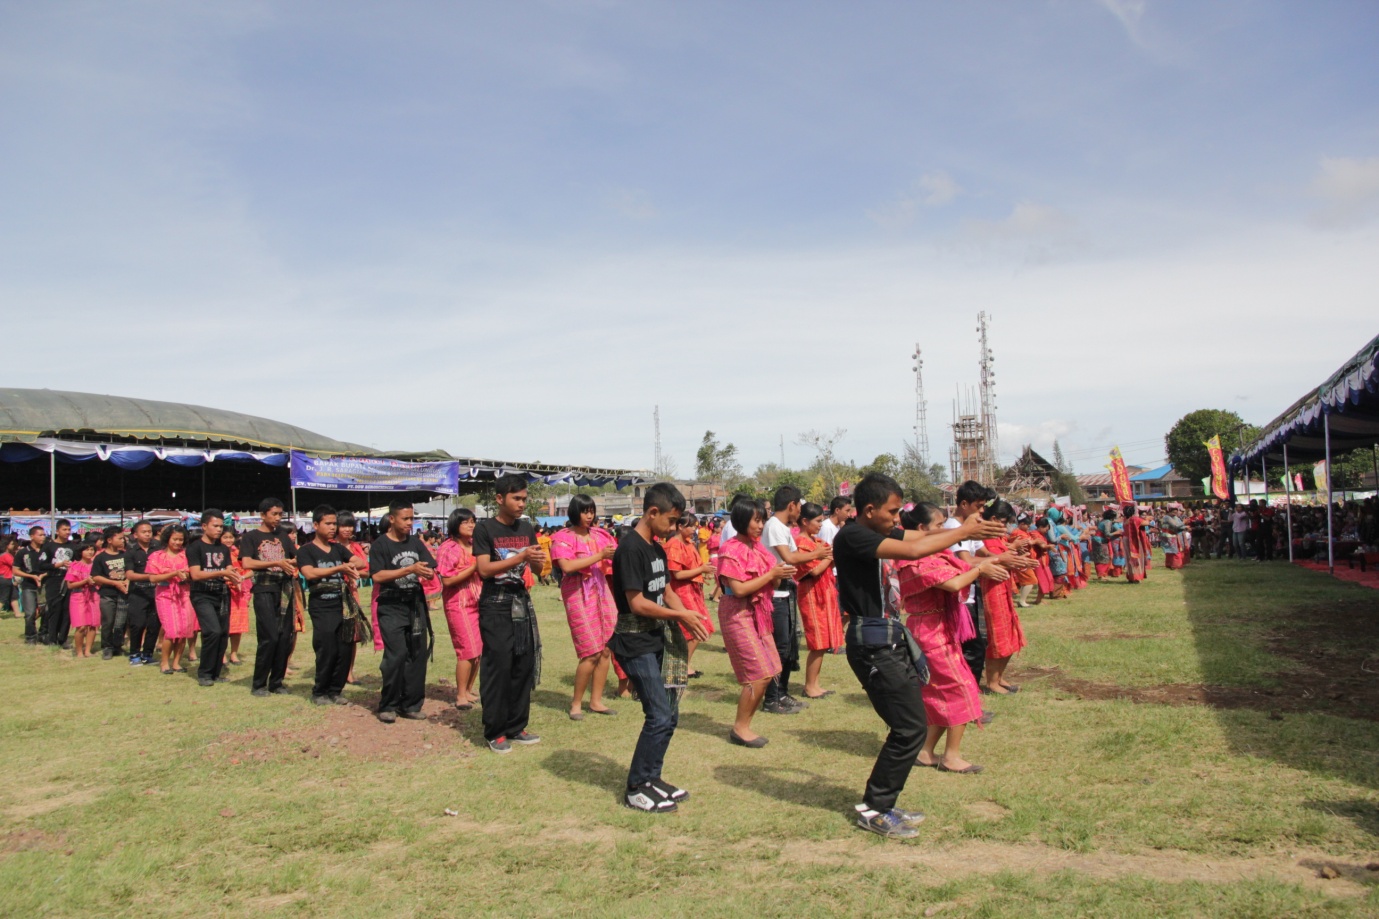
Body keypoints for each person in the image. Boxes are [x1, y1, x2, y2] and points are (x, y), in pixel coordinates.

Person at [832, 472, 1005, 839]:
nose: (899, 519)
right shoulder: (853, 536)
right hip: (872, 642)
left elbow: (922, 538)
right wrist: (963, 533)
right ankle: (875, 807)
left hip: (890, 639)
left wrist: (968, 531)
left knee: (911, 724)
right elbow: (913, 550)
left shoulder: (879, 530)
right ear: (868, 510)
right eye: (893, 512)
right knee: (909, 727)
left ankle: (883, 804)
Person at [610, 482, 708, 814]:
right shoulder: (630, 549)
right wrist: (680, 614)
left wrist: (686, 614)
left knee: (671, 712)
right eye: (670, 520)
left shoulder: (656, 548)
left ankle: (653, 778)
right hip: (633, 642)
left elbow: (665, 589)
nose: (674, 528)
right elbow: (637, 603)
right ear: (653, 512)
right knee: (658, 714)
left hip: (657, 639)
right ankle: (636, 787)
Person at [898, 503, 1008, 773]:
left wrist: (1001, 559)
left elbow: (965, 565)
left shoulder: (936, 553)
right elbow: (955, 583)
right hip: (928, 631)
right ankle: (951, 756)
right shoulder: (912, 559)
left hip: (941, 627)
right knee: (959, 687)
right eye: (938, 526)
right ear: (923, 529)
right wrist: (982, 570)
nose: (943, 531)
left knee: (942, 690)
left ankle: (925, 751)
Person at [474, 474, 548, 753]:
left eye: (524, 499)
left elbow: (538, 570)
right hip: (495, 603)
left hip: (521, 601)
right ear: (499, 499)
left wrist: (540, 563)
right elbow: (483, 570)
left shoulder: (526, 527)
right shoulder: (485, 529)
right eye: (516, 498)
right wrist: (521, 557)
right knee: (498, 668)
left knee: (522, 665)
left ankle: (517, 726)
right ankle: (495, 731)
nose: (521, 504)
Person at [716, 496, 793, 747]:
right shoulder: (730, 549)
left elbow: (774, 583)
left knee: (769, 670)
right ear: (741, 520)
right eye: (756, 520)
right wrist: (772, 573)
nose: (761, 526)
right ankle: (740, 728)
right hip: (737, 614)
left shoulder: (758, 547)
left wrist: (778, 575)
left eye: (762, 520)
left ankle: (745, 725)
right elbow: (738, 590)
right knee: (758, 673)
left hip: (758, 612)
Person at [762, 485, 831, 713]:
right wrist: (818, 554)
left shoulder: (781, 527)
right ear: (791, 505)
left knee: (789, 647)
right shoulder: (773, 526)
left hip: (785, 592)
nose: (800, 511)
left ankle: (782, 694)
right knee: (779, 648)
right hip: (774, 595)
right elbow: (790, 557)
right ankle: (771, 698)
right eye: (799, 506)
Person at [550, 494, 620, 720]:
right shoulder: (562, 537)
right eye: (584, 511)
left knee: (607, 649)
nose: (589, 515)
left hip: (602, 592)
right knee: (590, 651)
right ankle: (576, 704)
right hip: (579, 594)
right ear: (574, 512)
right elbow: (567, 566)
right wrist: (599, 555)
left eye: (591, 511)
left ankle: (596, 701)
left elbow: (617, 557)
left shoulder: (601, 534)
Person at [369, 501, 436, 722]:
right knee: (396, 655)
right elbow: (377, 576)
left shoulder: (416, 542)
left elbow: (430, 566)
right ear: (392, 519)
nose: (409, 523)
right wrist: (409, 569)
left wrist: (427, 573)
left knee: (417, 655)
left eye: (411, 519)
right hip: (391, 604)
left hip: (414, 604)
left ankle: (411, 704)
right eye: (405, 519)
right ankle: (388, 704)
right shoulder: (380, 545)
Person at [299, 505, 367, 706]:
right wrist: (340, 567)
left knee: (344, 649)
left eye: (334, 524)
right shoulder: (307, 550)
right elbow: (309, 573)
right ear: (315, 525)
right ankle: (320, 691)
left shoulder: (338, 548)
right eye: (328, 523)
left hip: (342, 603)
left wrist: (351, 562)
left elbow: (361, 563)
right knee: (326, 649)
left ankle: (336, 690)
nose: (332, 527)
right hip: (322, 604)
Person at [239, 499, 298, 697]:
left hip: (284, 590)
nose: (278, 518)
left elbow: (295, 557)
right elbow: (246, 562)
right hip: (264, 589)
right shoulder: (252, 537)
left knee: (284, 637)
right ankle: (259, 684)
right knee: (269, 637)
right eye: (274, 514)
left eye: (280, 514)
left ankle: (277, 682)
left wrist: (291, 562)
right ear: (263, 514)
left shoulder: (283, 536)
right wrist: (276, 562)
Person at [186, 510, 240, 688]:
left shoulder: (223, 548)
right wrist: (222, 572)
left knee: (223, 634)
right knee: (212, 631)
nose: (218, 530)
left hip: (222, 593)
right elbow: (195, 574)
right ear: (204, 526)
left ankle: (215, 672)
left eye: (220, 526)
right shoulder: (195, 548)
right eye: (215, 526)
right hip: (202, 593)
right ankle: (205, 673)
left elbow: (229, 568)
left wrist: (233, 576)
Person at [794, 502, 842, 698]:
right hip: (811, 595)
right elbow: (813, 570)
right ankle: (809, 686)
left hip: (825, 593)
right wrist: (828, 557)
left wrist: (830, 556)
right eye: (817, 521)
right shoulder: (800, 543)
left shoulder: (817, 541)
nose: (821, 525)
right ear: (805, 521)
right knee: (817, 642)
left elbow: (827, 560)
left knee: (824, 643)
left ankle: (815, 684)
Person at [436, 507, 482, 711]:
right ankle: (460, 694)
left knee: (478, 650)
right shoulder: (448, 548)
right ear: (456, 524)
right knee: (467, 650)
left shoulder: (476, 545)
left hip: (479, 601)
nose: (471, 525)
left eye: (473, 521)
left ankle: (469, 689)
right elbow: (447, 580)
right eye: (466, 522)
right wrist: (474, 567)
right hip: (459, 603)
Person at [979, 501, 1026, 696]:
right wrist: (1013, 553)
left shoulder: (997, 538)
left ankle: (999, 677)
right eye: (1004, 522)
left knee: (1010, 635)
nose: (1007, 527)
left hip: (1004, 590)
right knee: (998, 638)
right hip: (993, 592)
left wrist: (1017, 557)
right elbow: (996, 563)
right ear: (994, 519)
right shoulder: (986, 540)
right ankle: (992, 681)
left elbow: (1005, 558)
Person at [664, 512, 715, 679]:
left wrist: (703, 571)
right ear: (680, 526)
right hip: (681, 592)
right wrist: (701, 570)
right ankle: (682, 666)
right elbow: (677, 575)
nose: (695, 529)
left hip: (692, 591)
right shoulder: (674, 545)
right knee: (696, 628)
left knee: (699, 629)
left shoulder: (687, 543)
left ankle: (684, 665)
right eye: (691, 526)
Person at [147, 526, 196, 675]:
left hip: (184, 594)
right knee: (171, 630)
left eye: (181, 539)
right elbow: (153, 578)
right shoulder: (157, 556)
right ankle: (164, 662)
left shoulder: (187, 555)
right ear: (167, 539)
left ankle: (176, 662)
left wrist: (187, 576)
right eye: (175, 539)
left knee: (184, 630)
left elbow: (194, 573)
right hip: (165, 594)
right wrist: (173, 573)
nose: (178, 542)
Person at [123, 520, 160, 666]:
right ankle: (134, 653)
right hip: (138, 591)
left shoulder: (158, 550)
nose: (147, 534)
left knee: (154, 624)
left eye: (149, 531)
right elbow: (130, 575)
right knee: (137, 624)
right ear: (135, 535)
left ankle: (148, 654)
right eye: (144, 532)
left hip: (156, 590)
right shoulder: (131, 552)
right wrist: (151, 576)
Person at [90, 527, 129, 660]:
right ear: (109, 540)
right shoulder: (100, 557)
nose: (122, 540)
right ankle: (107, 647)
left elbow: (131, 571)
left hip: (124, 594)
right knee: (108, 621)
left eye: (123, 538)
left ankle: (118, 646)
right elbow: (95, 577)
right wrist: (115, 583)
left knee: (121, 622)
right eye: (119, 538)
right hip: (107, 594)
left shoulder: (125, 555)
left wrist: (126, 581)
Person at [14, 526, 52, 645]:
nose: (43, 537)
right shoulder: (23, 552)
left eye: (44, 535)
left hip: (45, 584)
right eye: (40, 535)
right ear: (32, 536)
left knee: (46, 610)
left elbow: (53, 567)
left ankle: (43, 633)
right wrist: (32, 576)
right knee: (30, 612)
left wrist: (43, 575)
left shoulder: (47, 551)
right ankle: (30, 636)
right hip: (29, 586)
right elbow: (15, 570)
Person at [65, 541, 100, 658]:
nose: (90, 552)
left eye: (92, 549)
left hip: (94, 595)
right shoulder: (74, 566)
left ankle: (88, 650)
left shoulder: (96, 564)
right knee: (81, 626)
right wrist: (85, 581)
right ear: (80, 552)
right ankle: (79, 651)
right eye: (87, 550)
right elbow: (70, 585)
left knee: (93, 624)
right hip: (78, 596)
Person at [44, 518, 75, 648]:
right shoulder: (49, 546)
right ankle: (52, 638)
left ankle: (63, 638)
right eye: (64, 529)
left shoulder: (73, 546)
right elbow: (41, 564)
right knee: (55, 608)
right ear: (57, 531)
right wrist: (58, 564)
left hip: (69, 580)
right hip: (54, 580)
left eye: (69, 529)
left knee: (67, 610)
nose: (67, 532)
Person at [222, 528, 250, 666]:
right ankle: (222, 654)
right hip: (222, 592)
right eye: (225, 537)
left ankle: (234, 653)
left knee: (237, 627)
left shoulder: (237, 554)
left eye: (230, 537)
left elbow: (250, 570)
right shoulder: (217, 554)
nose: (228, 540)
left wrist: (241, 578)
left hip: (238, 595)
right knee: (223, 626)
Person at [1123, 504, 1151, 584]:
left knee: (1129, 558)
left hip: (1126, 539)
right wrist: (1147, 518)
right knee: (1136, 557)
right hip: (1133, 540)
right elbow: (1145, 523)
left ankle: (1131, 576)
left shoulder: (1125, 519)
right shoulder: (1134, 519)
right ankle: (1136, 576)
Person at [0, 536, 16, 616]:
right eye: (12, 544)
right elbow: (15, 564)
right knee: (3, 598)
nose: (13, 546)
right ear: (7, 545)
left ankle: (17, 613)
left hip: (5, 578)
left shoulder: (3, 555)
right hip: (6, 578)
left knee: (14, 596)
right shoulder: (6, 555)